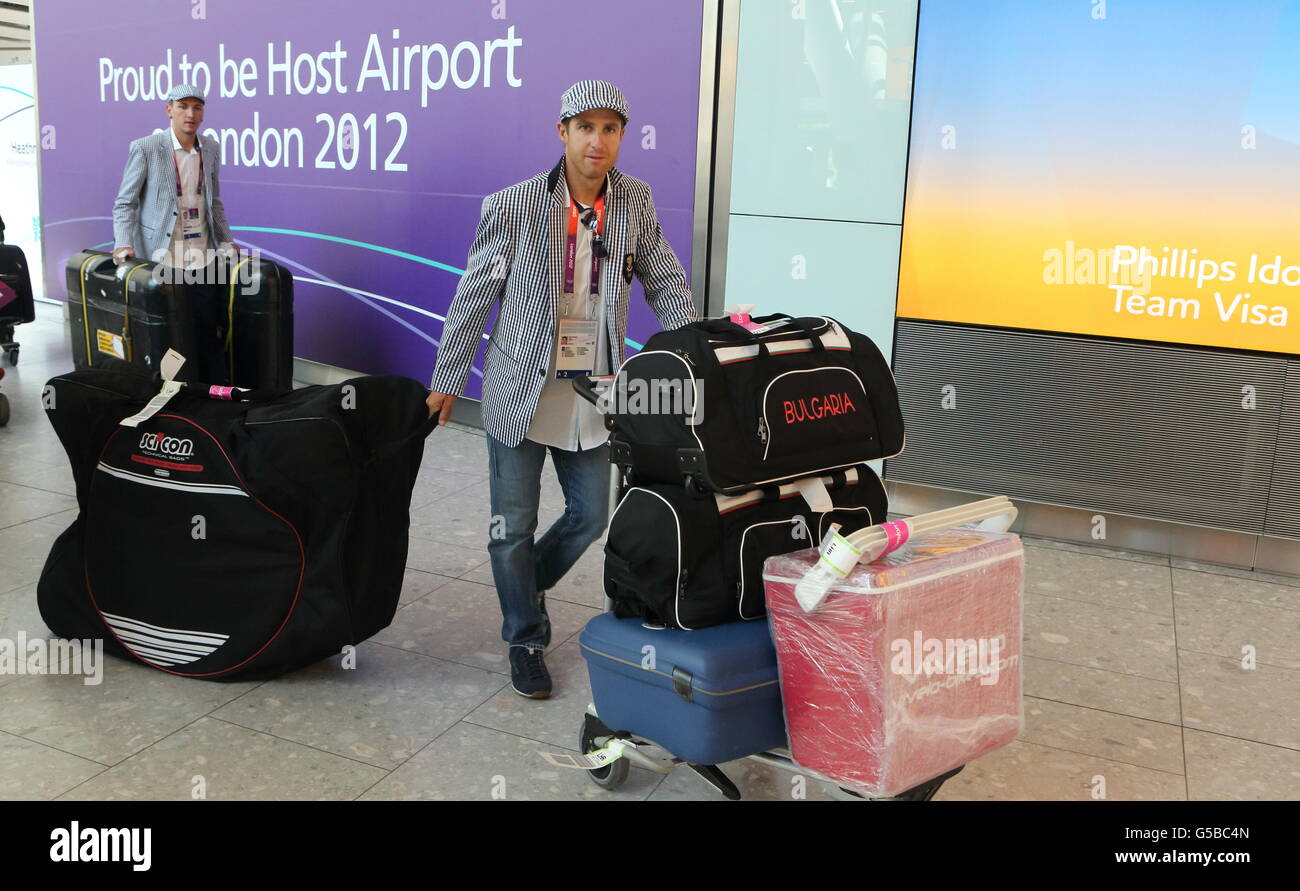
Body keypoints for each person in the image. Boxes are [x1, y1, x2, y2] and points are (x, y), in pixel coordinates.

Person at [426, 80, 698, 699]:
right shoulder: (515, 206)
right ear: (563, 133)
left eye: (609, 129)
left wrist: (696, 353)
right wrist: (447, 380)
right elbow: (473, 299)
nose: (597, 141)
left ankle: (526, 585)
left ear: (621, 137)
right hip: (522, 386)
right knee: (512, 526)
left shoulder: (634, 201)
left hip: (592, 392)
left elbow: (664, 279)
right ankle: (525, 636)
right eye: (585, 128)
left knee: (590, 516)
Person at [111, 84, 236, 384]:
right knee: (168, 338)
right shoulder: (146, 148)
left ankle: (210, 401)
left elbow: (214, 201)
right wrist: (123, 243)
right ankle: (169, 402)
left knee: (206, 333)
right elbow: (125, 202)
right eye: (183, 107)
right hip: (162, 260)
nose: (190, 114)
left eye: (197, 107)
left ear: (203, 113)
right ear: (169, 110)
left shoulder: (211, 148)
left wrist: (226, 239)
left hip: (202, 259)